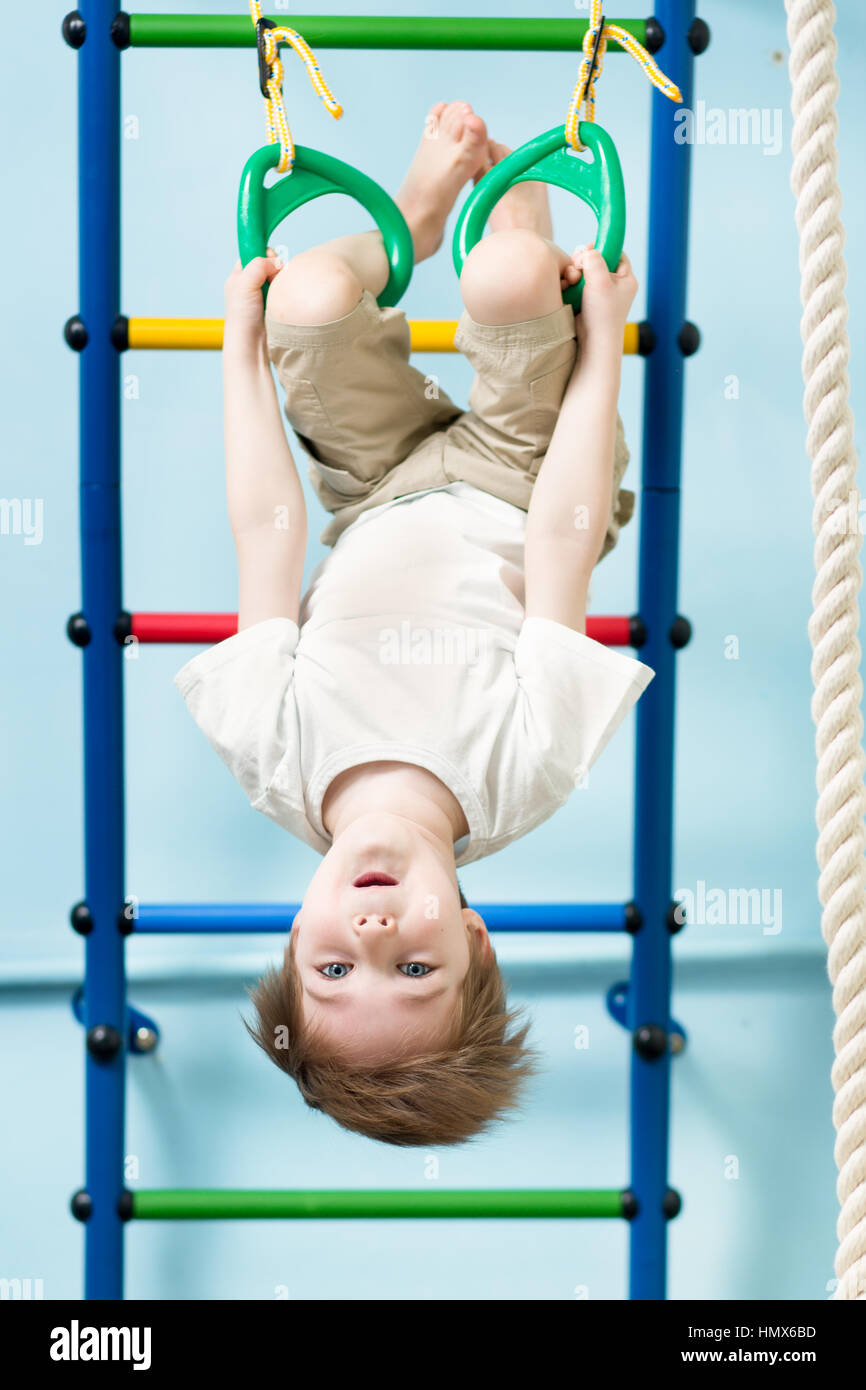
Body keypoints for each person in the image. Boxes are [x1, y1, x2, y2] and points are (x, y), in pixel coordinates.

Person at [175, 101, 654, 1146]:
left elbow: (267, 532)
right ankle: (520, 183)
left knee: (302, 296)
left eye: (335, 966)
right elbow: (565, 545)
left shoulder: (268, 749)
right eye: (415, 966)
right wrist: (604, 348)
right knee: (513, 283)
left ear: (298, 929)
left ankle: (412, 215)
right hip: (528, 484)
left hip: (374, 483)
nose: (373, 929)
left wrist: (239, 352)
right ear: (476, 941)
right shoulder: (524, 771)